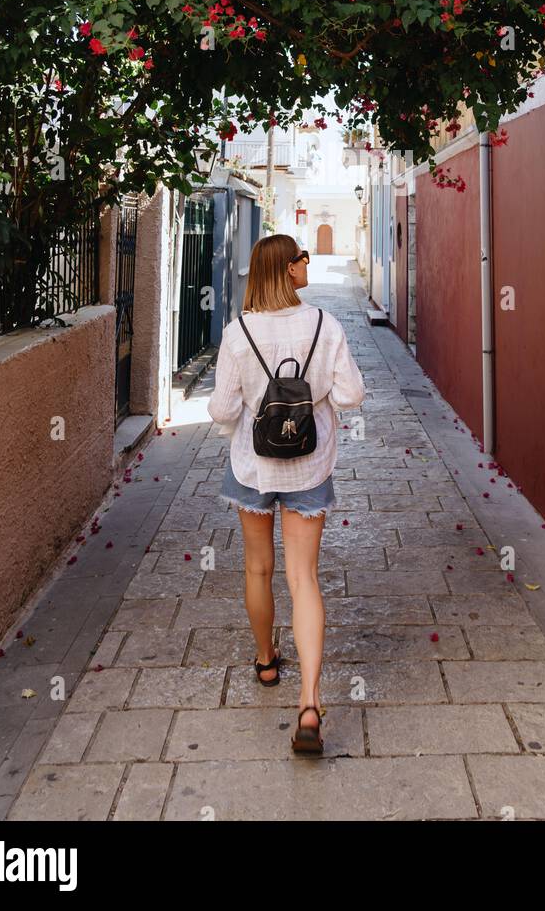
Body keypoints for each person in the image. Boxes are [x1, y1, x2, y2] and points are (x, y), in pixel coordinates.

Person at [207, 232, 365, 755]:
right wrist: (312, 398)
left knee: (258, 569)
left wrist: (257, 402)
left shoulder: (238, 332)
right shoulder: (325, 325)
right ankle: (310, 704)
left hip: (252, 467)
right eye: (302, 257)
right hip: (309, 469)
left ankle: (267, 662)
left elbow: (222, 409)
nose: (307, 262)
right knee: (304, 579)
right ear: (288, 270)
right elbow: (351, 395)